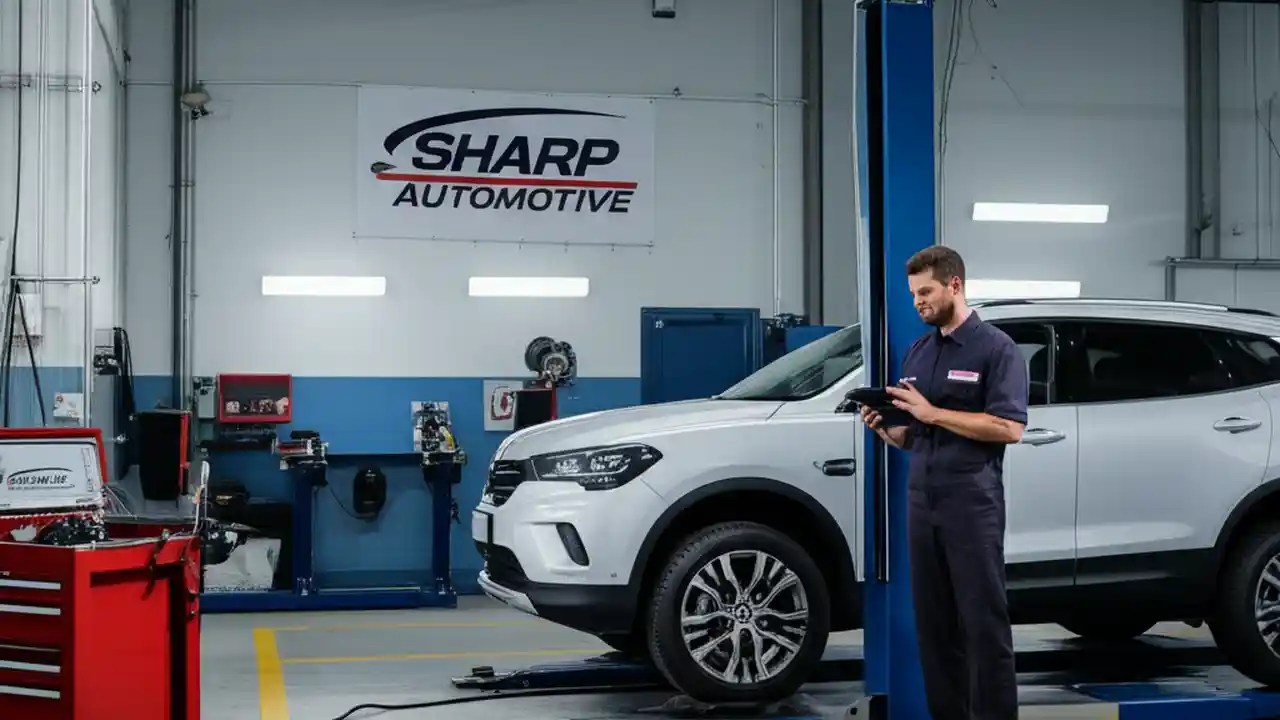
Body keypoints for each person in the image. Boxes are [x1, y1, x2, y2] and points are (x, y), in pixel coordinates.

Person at [860, 245, 1028, 720]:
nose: (918, 302)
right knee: (934, 631)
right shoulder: (919, 352)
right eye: (914, 294)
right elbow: (917, 434)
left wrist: (933, 413)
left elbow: (1009, 428)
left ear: (955, 285)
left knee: (982, 625)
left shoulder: (996, 349)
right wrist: (887, 430)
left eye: (926, 292)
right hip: (922, 501)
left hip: (971, 503)